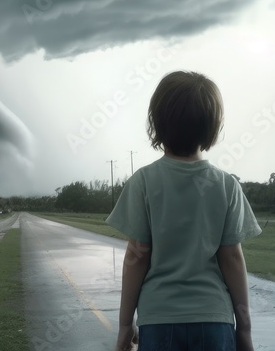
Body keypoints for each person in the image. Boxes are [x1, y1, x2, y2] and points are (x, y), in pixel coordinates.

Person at [106, 71, 262, 351]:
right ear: (212, 127)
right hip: (214, 320)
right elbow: (233, 260)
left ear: (157, 122)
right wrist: (245, 330)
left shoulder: (143, 181)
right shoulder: (226, 185)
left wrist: (124, 326)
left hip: (158, 321)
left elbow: (136, 258)